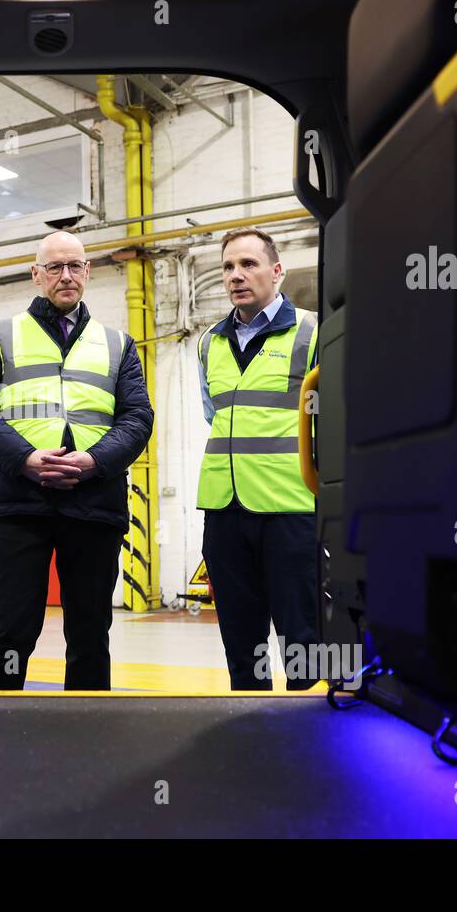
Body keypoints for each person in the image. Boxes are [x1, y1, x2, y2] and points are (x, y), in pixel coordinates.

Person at [0, 230, 153, 690]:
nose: (65, 275)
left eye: (75, 266)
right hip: (17, 501)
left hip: (93, 501)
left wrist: (94, 461)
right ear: (36, 275)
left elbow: (138, 417)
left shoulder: (119, 345)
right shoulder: (0, 335)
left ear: (87, 272)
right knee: (11, 629)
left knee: (90, 631)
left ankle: (87, 735)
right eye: (54, 267)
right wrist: (25, 458)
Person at [196, 227, 319, 690]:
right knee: (240, 636)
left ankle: (307, 735)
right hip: (225, 509)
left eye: (248, 264)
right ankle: (250, 728)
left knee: (302, 635)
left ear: (277, 270)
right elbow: (214, 415)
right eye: (228, 267)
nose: (236, 275)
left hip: (291, 507)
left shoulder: (313, 331)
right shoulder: (210, 342)